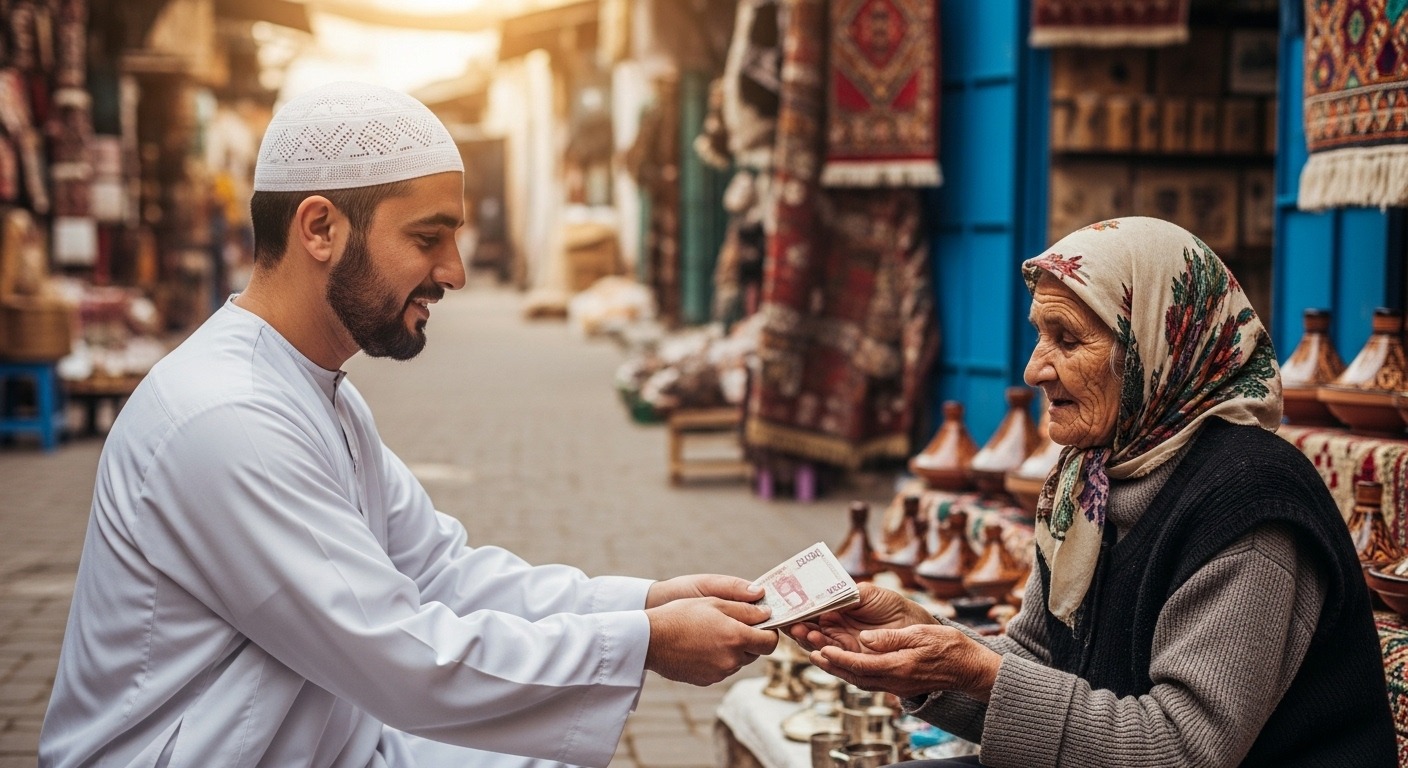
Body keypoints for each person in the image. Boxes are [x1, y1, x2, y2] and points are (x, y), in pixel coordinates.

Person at [39, 81, 778, 768]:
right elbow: (401, 657)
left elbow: (437, 574)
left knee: (536, 749)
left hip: (316, 737)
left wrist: (646, 600)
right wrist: (645, 642)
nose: (455, 271)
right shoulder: (227, 417)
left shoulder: (315, 391)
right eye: (429, 238)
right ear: (320, 227)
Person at [789, 217, 1397, 767]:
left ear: (1154, 349)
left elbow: (1181, 750)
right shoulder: (1092, 478)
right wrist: (918, 649)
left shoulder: (1248, 504)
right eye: (1039, 335)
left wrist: (976, 671)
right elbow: (1035, 665)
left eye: (1068, 340)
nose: (1034, 369)